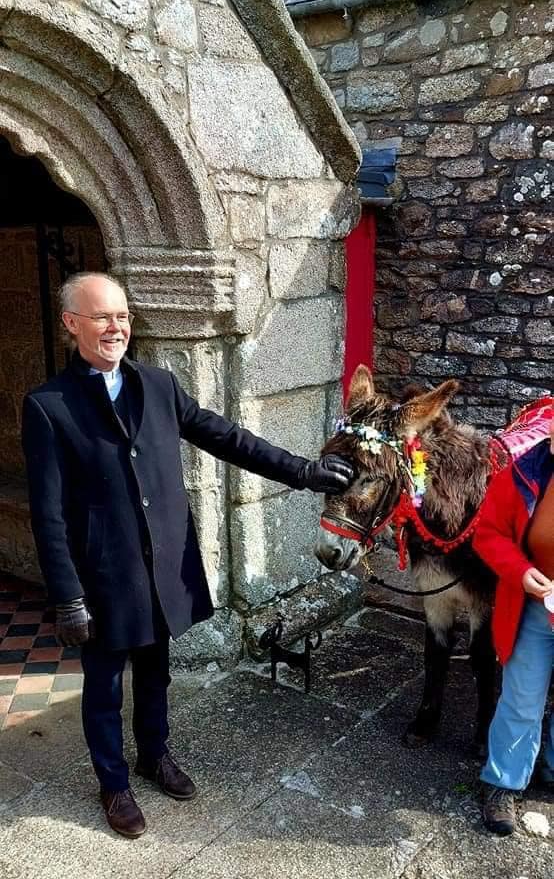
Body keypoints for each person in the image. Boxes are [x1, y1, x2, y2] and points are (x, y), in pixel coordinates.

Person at [21, 272, 353, 839]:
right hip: (103, 576)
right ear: (71, 322)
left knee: (156, 673)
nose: (116, 326)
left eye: (122, 315)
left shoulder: (158, 384)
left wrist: (302, 472)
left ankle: (155, 754)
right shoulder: (49, 406)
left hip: (163, 566)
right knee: (102, 687)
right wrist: (67, 596)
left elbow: (226, 436)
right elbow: (47, 514)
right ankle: (114, 782)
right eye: (101, 316)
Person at [473, 413, 553, 836]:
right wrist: (521, 571)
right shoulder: (522, 475)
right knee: (522, 698)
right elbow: (488, 534)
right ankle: (503, 782)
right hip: (535, 606)